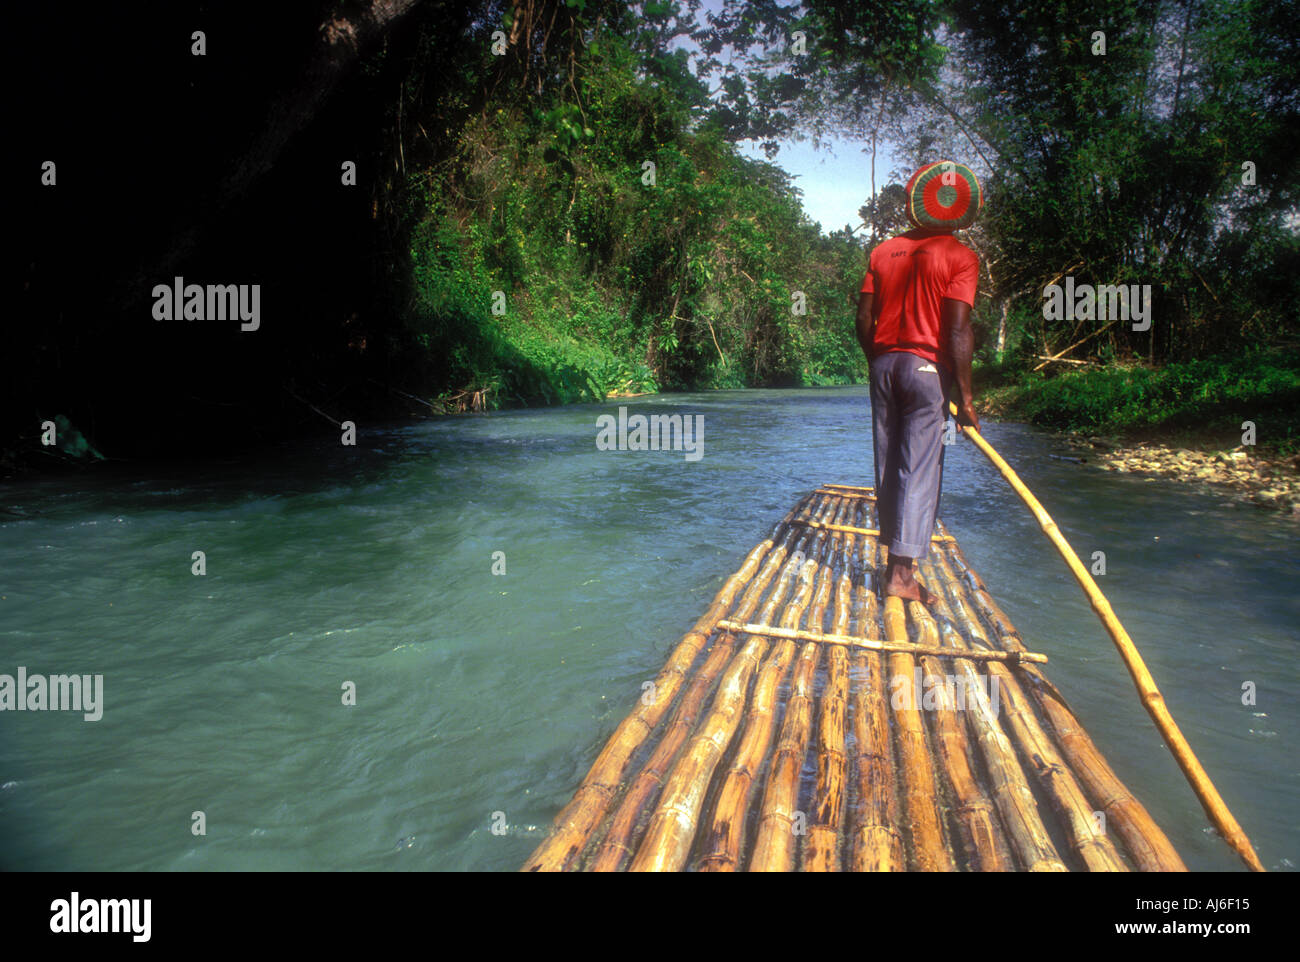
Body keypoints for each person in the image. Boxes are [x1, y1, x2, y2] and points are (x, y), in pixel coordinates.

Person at [855, 160, 982, 605]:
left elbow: (863, 319)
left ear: (916, 208)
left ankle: (895, 561)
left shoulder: (882, 252)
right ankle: (902, 575)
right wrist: (965, 396)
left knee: (889, 463)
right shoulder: (961, 257)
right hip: (926, 369)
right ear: (961, 213)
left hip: (884, 366)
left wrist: (881, 360)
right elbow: (956, 331)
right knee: (919, 468)